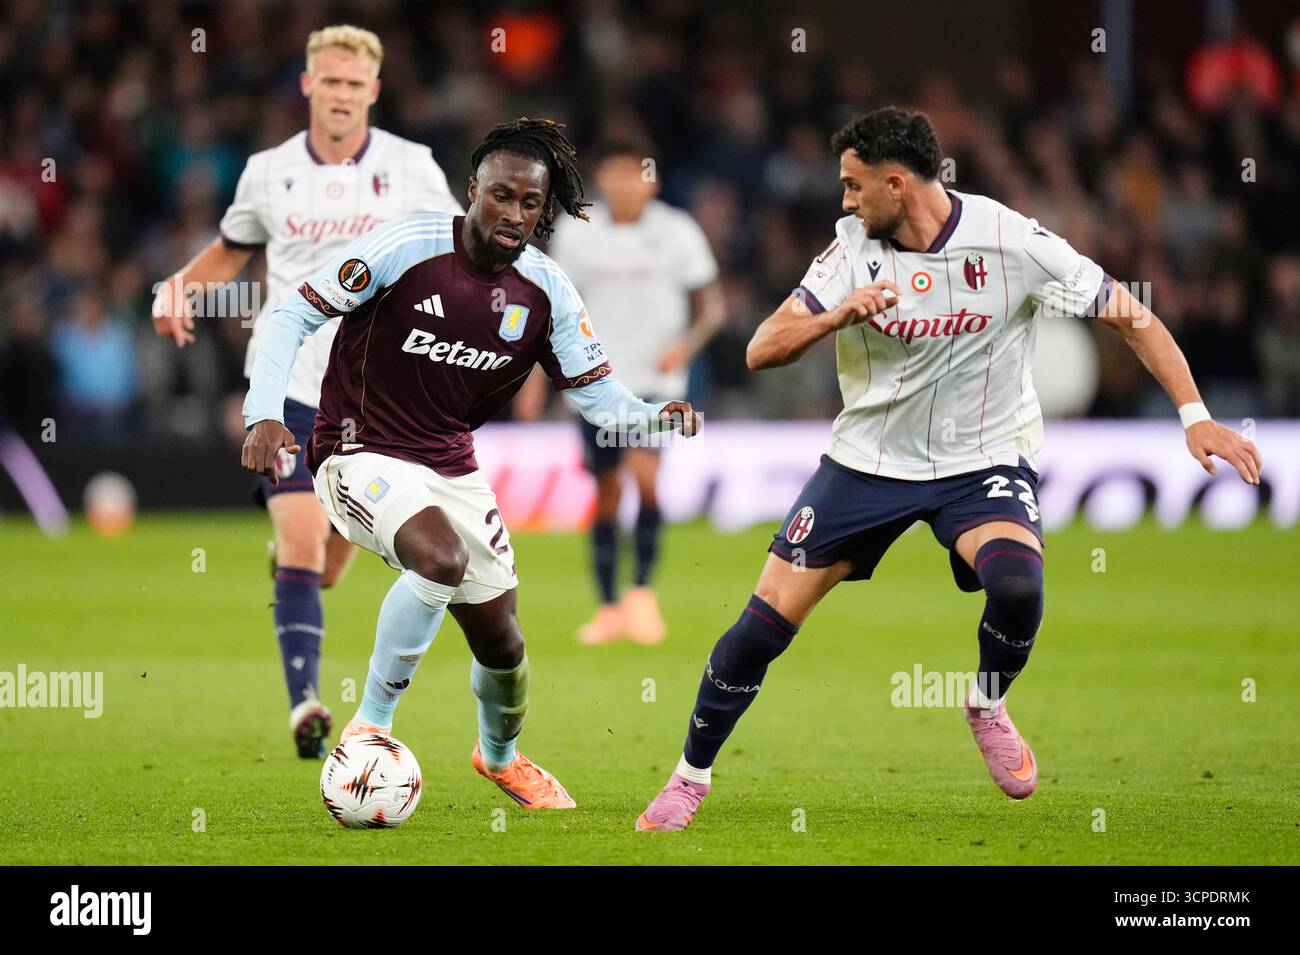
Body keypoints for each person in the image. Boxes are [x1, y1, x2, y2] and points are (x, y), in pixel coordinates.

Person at [636, 106, 1261, 831]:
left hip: (982, 458)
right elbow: (761, 348)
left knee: (1020, 586)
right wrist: (836, 317)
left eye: (853, 185)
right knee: (761, 626)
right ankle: (689, 777)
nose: (844, 200)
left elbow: (1131, 315)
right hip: (867, 461)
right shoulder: (848, 251)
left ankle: (987, 701)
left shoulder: (1010, 240)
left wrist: (1195, 416)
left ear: (897, 184)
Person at [240, 118, 701, 809]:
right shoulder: (407, 247)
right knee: (440, 558)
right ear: (472, 191)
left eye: (531, 204)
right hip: (354, 450)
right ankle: (371, 727)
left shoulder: (546, 291)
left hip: (450, 466)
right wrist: (264, 412)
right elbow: (289, 316)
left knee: (505, 647)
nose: (515, 214)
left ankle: (500, 756)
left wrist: (648, 416)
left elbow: (596, 394)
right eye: (502, 196)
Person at [151, 25, 462, 757]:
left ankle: (300, 559)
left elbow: (455, 245)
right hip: (287, 381)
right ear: (308, 84)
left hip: (375, 397)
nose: (343, 96)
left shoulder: (412, 167)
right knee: (298, 536)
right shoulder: (267, 171)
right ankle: (306, 705)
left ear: (374, 92)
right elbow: (233, 247)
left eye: (356, 85)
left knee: (326, 559)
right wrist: (182, 287)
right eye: (331, 82)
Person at [542, 137, 725, 645]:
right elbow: (551, 307)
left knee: (645, 477)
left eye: (635, 175)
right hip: (595, 382)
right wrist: (538, 378)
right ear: (602, 179)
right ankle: (607, 607)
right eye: (616, 174)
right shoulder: (577, 231)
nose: (625, 185)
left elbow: (712, 307)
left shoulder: (677, 231)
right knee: (605, 494)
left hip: (656, 383)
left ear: (652, 181)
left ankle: (641, 593)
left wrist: (686, 345)